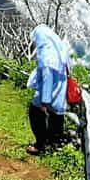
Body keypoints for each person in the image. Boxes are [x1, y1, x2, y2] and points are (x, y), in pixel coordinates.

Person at [26, 24, 71, 155]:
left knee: (35, 114)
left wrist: (44, 102)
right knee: (56, 121)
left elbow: (47, 79)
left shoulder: (47, 57)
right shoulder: (59, 53)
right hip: (59, 96)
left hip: (48, 96)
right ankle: (53, 147)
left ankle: (40, 146)